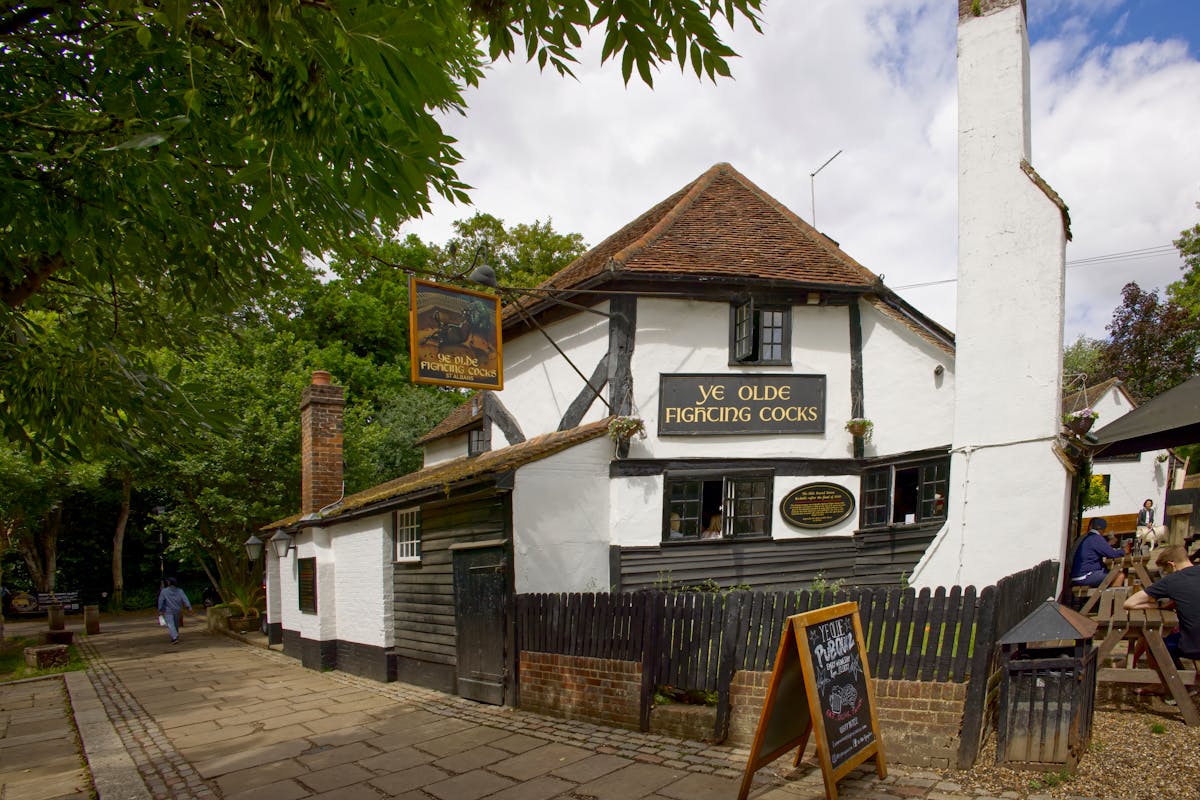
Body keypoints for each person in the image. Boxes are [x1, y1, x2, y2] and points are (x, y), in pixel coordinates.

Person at [1124, 545, 1200, 669]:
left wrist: (1157, 604)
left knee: (1153, 641)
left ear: (1171, 564)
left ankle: (1167, 684)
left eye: (1166, 570)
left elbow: (1129, 603)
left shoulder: (1172, 580)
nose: (1166, 574)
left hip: (1193, 646)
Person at [1070, 518, 1125, 588]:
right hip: (1085, 576)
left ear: (1091, 526)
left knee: (1111, 574)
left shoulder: (1088, 537)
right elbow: (1112, 554)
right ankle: (1110, 598)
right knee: (1119, 575)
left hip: (1078, 574)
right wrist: (1124, 551)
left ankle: (1105, 597)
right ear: (1103, 529)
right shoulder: (1096, 538)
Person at [157, 577, 192, 645]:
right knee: (175, 624)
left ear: (169, 582)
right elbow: (185, 599)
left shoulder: (164, 591)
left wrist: (160, 609)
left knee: (171, 624)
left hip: (168, 610)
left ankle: (174, 637)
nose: (167, 582)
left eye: (167, 581)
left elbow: (161, 600)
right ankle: (175, 636)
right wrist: (189, 607)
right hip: (177, 610)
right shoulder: (180, 590)